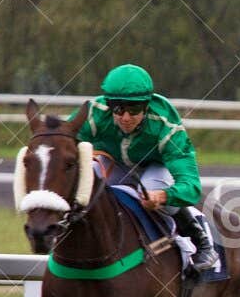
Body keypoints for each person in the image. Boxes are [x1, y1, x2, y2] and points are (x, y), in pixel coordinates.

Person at [77, 63, 218, 274]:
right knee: (87, 178)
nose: (126, 117)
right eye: (118, 108)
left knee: (151, 187)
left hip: (155, 168)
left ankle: (200, 239)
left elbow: (191, 187)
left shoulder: (165, 123)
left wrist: (162, 196)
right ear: (109, 104)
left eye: (134, 109)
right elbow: (62, 143)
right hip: (115, 163)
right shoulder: (94, 113)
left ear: (147, 105)